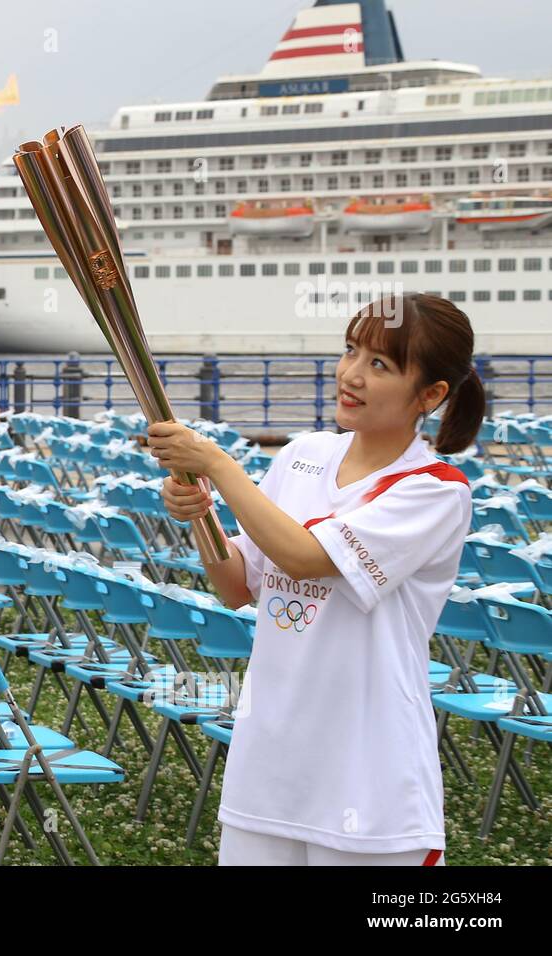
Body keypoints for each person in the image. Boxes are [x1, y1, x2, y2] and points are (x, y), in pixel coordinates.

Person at [149, 293, 484, 866]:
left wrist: (220, 466)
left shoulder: (434, 489)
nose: (352, 374)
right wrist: (199, 511)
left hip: (368, 777)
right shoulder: (303, 455)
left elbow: (306, 557)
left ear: (430, 395)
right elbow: (236, 585)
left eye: (380, 365)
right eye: (351, 351)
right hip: (269, 764)